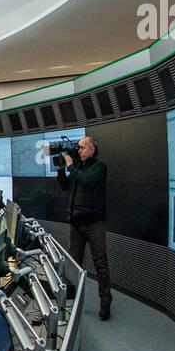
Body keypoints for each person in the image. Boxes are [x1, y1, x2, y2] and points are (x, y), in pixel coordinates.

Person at [57, 135, 112, 320]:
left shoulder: (99, 168)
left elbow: (87, 181)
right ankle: (73, 301)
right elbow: (65, 186)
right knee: (74, 265)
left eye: (82, 148)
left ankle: (106, 304)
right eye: (78, 148)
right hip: (76, 224)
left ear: (92, 149)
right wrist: (60, 170)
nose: (79, 151)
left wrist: (71, 166)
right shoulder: (77, 168)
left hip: (94, 224)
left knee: (100, 264)